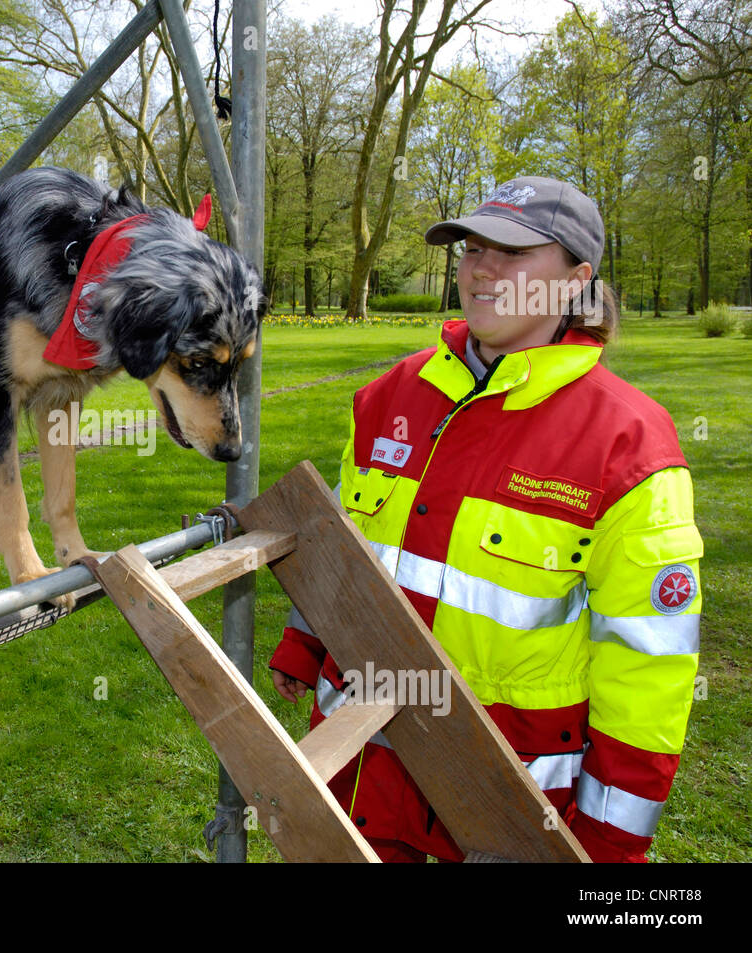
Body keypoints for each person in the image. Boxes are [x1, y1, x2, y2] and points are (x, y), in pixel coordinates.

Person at [270, 176, 702, 863]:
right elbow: (345, 545)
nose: (482, 268)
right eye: (472, 247)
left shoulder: (629, 444)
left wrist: (610, 842)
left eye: (514, 251)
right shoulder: (388, 398)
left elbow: (649, 664)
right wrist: (306, 642)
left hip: (502, 806)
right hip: (353, 780)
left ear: (574, 280)